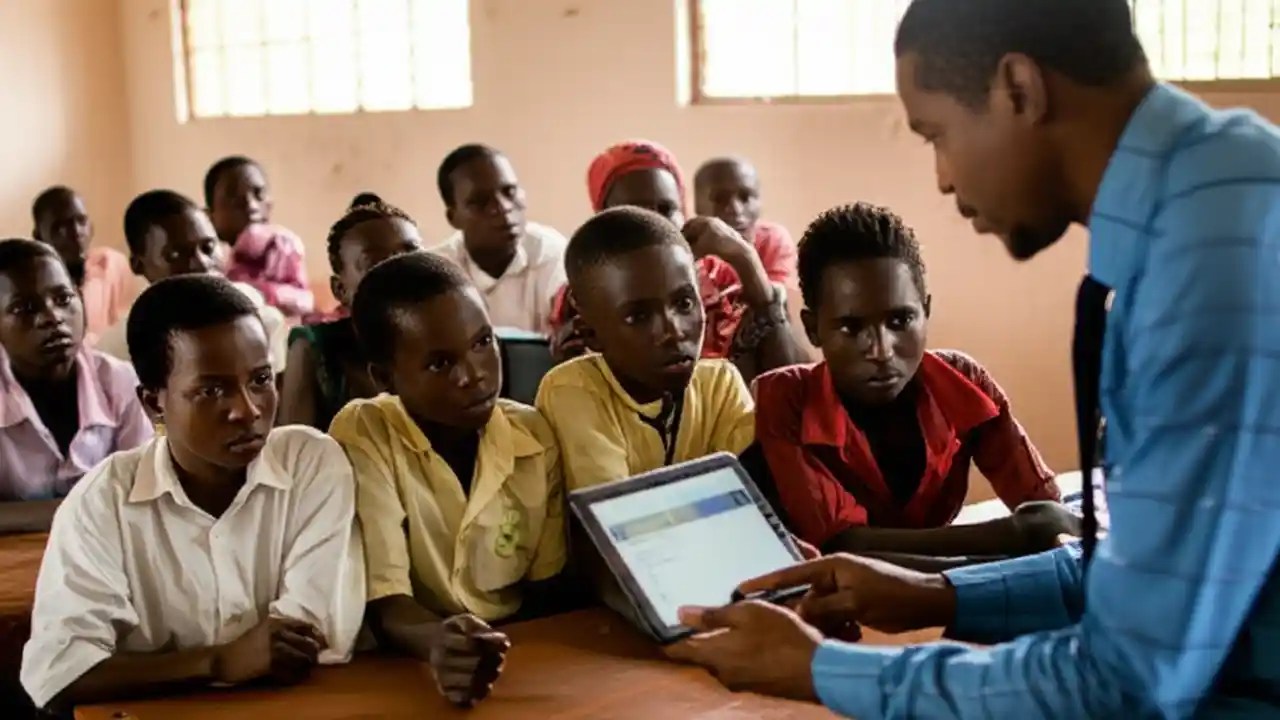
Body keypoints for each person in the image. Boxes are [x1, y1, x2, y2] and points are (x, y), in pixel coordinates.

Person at [667, 1, 1280, 717]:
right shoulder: (1229, 186)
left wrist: (824, 671)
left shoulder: (1210, 267)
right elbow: (1143, 584)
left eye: (937, 134)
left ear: (1018, 89)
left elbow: (1127, 677)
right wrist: (936, 593)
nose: (943, 178)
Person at [20, 274, 364, 711]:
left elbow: (312, 637)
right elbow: (56, 673)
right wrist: (217, 662)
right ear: (153, 403)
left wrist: (174, 666)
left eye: (260, 379)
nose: (247, 409)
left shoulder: (310, 464)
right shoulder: (104, 502)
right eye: (211, 390)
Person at [744, 203, 1070, 567]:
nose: (882, 350)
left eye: (900, 320)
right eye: (851, 328)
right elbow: (842, 545)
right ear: (812, 328)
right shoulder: (785, 398)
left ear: (925, 311)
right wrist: (1007, 538)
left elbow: (1045, 511)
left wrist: (1031, 535)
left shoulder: (965, 382)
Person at [331, 252, 569, 707]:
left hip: (517, 658)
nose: (473, 374)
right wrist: (439, 642)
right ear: (385, 378)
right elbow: (387, 603)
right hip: (407, 663)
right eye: (440, 364)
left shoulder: (534, 436)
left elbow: (546, 590)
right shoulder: (367, 431)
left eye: (482, 342)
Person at [536, 207, 755, 492]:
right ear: (591, 333)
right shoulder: (573, 390)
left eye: (685, 303)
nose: (674, 332)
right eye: (638, 317)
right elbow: (617, 513)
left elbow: (752, 502)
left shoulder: (719, 385)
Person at [549, 140, 807, 380]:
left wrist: (747, 262)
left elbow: (790, 385)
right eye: (638, 210)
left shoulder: (726, 284)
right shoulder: (585, 297)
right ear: (603, 218)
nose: (657, 221)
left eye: (667, 208)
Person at [0, 239, 151, 533]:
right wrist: (85, 509)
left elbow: (143, 495)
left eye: (63, 298)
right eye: (24, 308)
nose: (52, 317)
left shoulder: (121, 381)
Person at [96, 190, 289, 375]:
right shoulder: (118, 351)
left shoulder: (261, 319)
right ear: (138, 265)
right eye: (175, 255)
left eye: (208, 247)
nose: (201, 263)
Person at [278, 198, 423, 429]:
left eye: (411, 256)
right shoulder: (315, 349)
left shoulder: (451, 337)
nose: (400, 270)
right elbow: (294, 446)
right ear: (340, 289)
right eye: (376, 263)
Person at [429, 144, 567, 335]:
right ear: (453, 218)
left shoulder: (552, 253)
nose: (502, 207)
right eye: (480, 202)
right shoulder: (437, 274)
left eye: (510, 192)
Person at [205, 155, 314, 320]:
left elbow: (303, 301)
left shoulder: (282, 246)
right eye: (234, 199)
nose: (251, 206)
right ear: (210, 216)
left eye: (259, 194)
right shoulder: (207, 261)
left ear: (270, 203)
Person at [31, 186, 136, 344]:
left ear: (91, 227)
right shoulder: (31, 286)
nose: (76, 232)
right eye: (60, 227)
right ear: (39, 237)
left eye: (81, 221)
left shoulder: (111, 265)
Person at [693, 156, 798, 287]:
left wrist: (743, 255)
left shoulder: (771, 241)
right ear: (697, 205)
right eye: (720, 198)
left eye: (746, 197)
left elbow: (779, 298)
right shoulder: (686, 247)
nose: (736, 209)